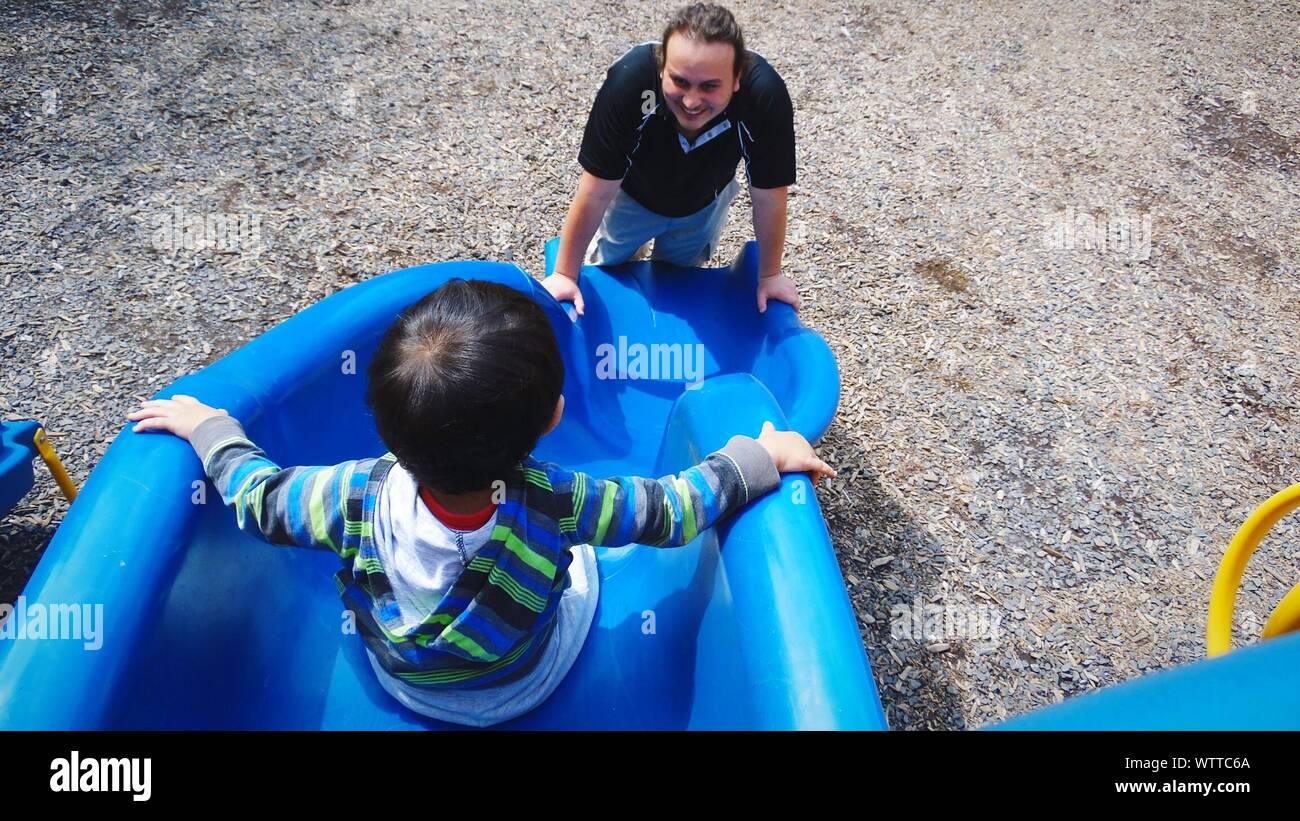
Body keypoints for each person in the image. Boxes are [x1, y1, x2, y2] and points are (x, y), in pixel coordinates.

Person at [126, 279, 834, 726]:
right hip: (524, 681)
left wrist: (209, 426)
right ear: (555, 415)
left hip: (405, 685)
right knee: (583, 558)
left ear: (387, 426)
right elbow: (671, 507)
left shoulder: (349, 494)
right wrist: (758, 455)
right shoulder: (558, 500)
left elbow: (260, 497)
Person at [542, 2, 800, 316]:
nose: (692, 101)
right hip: (632, 197)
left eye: (709, 87)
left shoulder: (763, 97)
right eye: (679, 82)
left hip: (704, 203)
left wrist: (770, 275)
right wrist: (566, 274)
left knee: (678, 283)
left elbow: (769, 197)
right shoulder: (631, 81)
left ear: (737, 79)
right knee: (610, 268)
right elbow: (596, 190)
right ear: (662, 68)